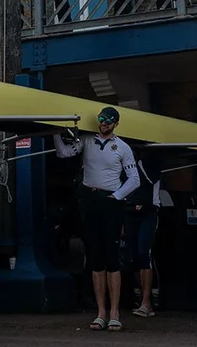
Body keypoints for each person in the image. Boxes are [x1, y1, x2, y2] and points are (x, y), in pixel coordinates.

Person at [55, 106, 140, 331]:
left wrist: (117, 195)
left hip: (110, 201)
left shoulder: (123, 147)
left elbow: (134, 179)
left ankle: (115, 312)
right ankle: (101, 311)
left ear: (116, 123)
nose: (104, 122)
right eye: (102, 119)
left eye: (109, 120)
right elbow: (64, 152)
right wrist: (53, 131)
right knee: (95, 257)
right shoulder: (87, 140)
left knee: (112, 257)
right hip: (89, 199)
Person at [122, 148, 162, 317]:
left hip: (149, 212)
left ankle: (147, 302)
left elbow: (151, 180)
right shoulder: (124, 167)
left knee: (144, 252)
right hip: (130, 212)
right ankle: (142, 297)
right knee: (134, 256)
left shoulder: (151, 164)